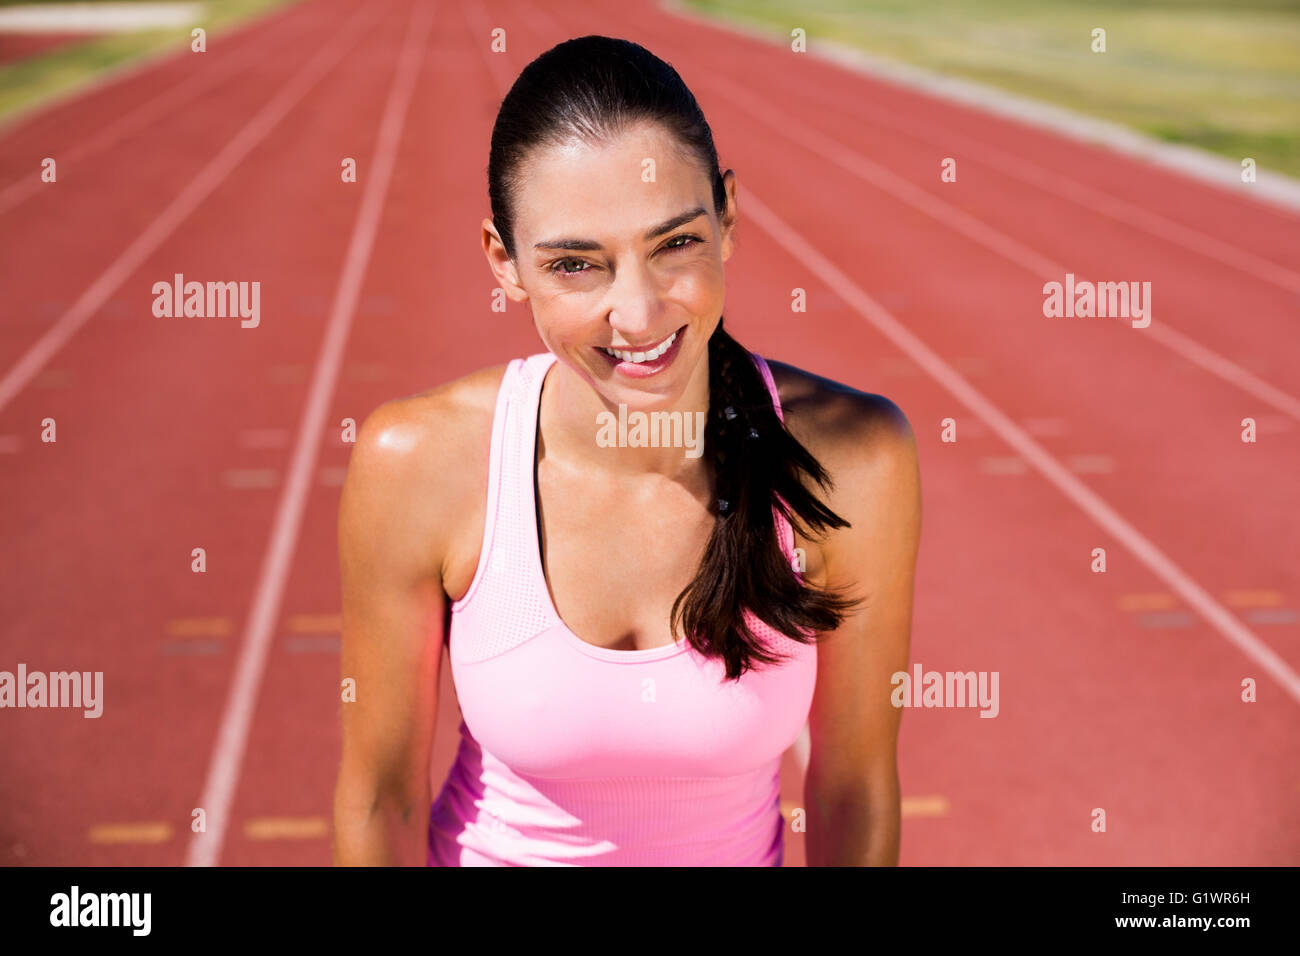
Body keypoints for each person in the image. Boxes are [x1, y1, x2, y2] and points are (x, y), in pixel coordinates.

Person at [332, 35, 921, 867]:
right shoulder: (418, 464)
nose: (638, 314)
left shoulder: (854, 458)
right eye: (577, 264)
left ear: (728, 215)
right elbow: (380, 796)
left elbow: (854, 790)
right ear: (505, 263)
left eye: (675, 244)